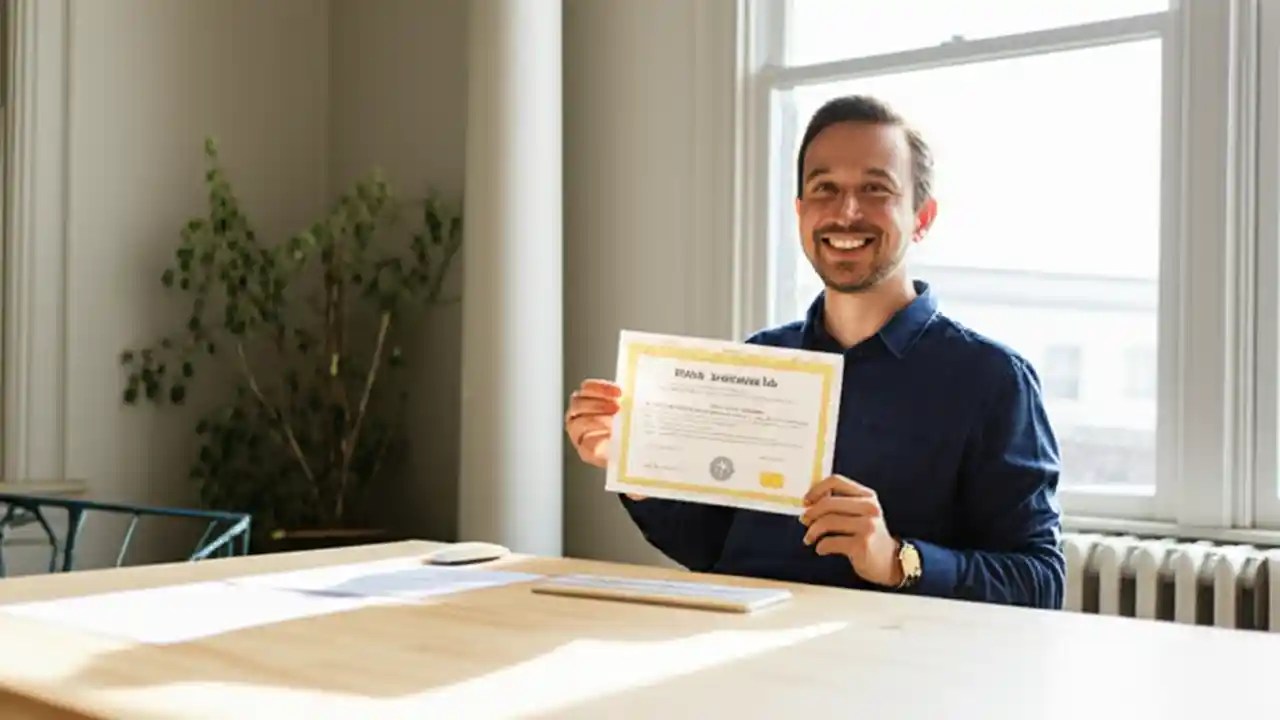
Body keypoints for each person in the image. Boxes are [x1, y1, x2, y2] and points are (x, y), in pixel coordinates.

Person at [564, 95, 1065, 609]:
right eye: (825, 189)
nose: (847, 212)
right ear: (801, 212)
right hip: (738, 657)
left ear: (922, 217)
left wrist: (898, 559)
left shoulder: (992, 380)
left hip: (893, 672)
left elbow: (1041, 582)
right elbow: (710, 548)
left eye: (876, 189)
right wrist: (637, 467)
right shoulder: (759, 360)